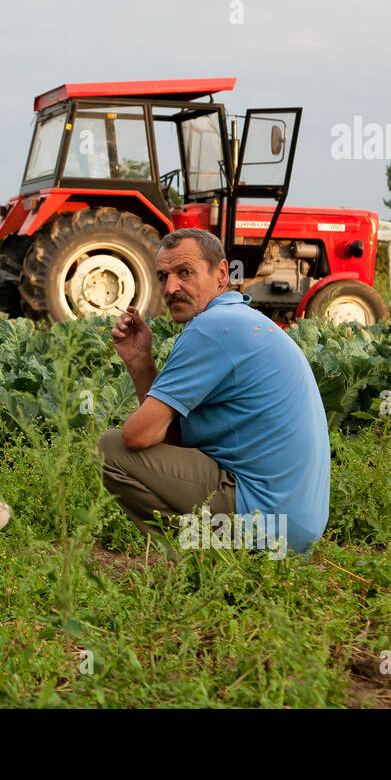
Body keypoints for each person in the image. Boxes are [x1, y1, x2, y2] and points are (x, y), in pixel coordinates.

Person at [97, 227, 329, 556]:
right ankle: (220, 555)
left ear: (221, 273)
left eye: (185, 272)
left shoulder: (211, 329)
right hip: (294, 526)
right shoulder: (240, 320)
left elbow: (137, 437)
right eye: (163, 276)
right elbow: (170, 438)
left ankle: (207, 559)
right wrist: (139, 363)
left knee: (111, 449)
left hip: (268, 524)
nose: (171, 287)